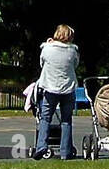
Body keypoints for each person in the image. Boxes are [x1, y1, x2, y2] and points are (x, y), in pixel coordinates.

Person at [34, 24, 80, 160]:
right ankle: (65, 152)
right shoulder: (73, 51)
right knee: (66, 120)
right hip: (67, 88)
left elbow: (42, 63)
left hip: (50, 87)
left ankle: (41, 146)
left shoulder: (47, 49)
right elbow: (75, 64)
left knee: (45, 118)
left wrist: (49, 44)